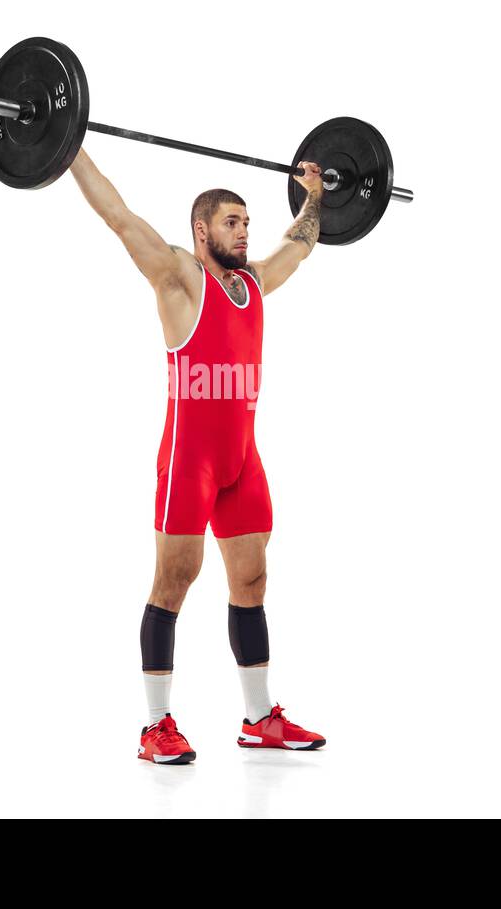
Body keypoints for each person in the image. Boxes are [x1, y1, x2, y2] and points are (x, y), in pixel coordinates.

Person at [69, 147, 327, 764]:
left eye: (247, 223)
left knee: (252, 580)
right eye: (232, 223)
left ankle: (259, 717)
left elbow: (301, 243)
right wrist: (68, 146)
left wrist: (316, 196)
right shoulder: (180, 279)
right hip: (190, 463)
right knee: (175, 582)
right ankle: (155, 727)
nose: (244, 232)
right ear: (202, 229)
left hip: (242, 460)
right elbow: (119, 215)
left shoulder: (254, 285)